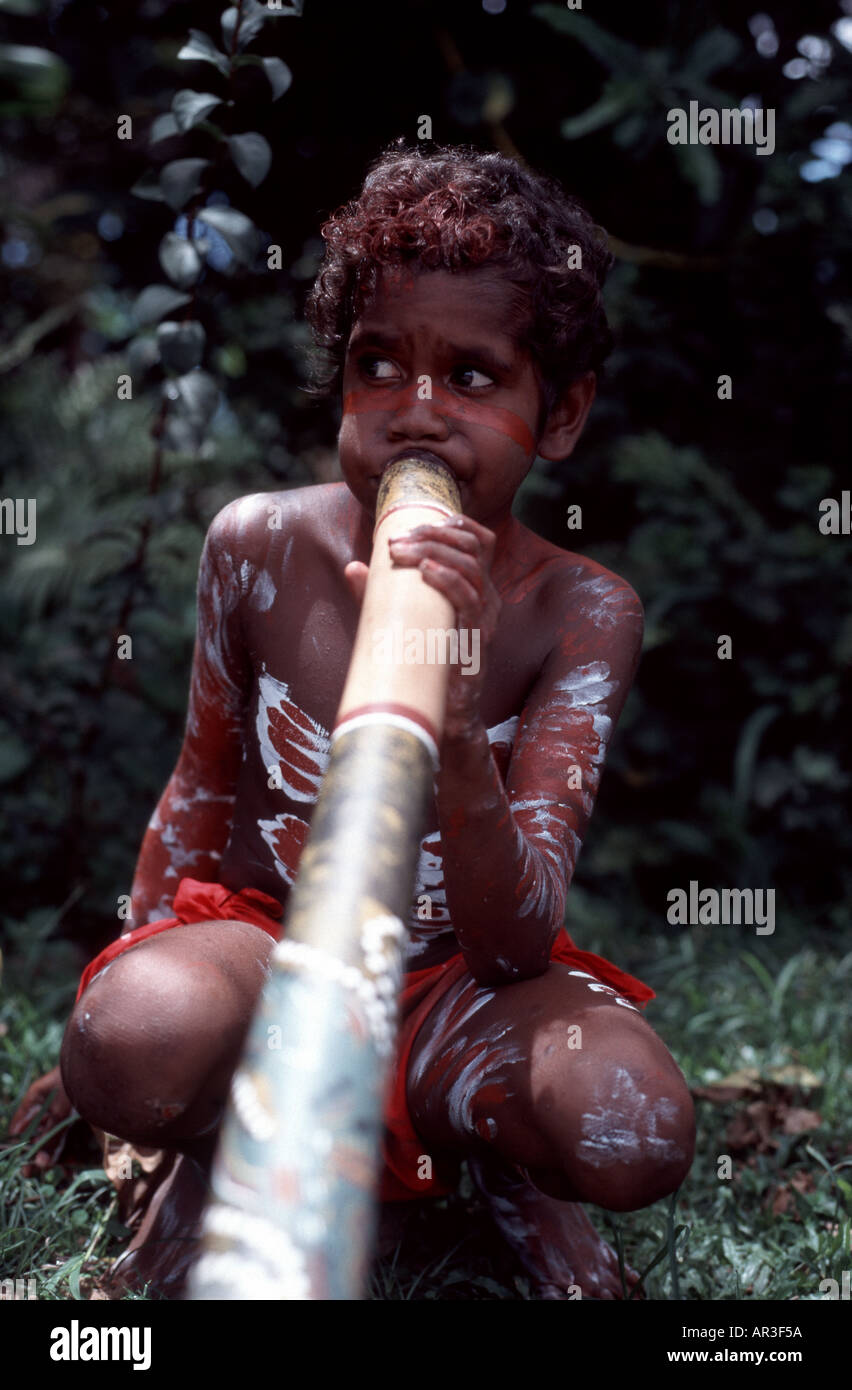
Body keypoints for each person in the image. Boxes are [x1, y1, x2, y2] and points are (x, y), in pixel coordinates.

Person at [11, 143, 694, 1299]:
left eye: (473, 378)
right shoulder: (260, 545)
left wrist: (460, 710)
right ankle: (208, 1148)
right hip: (276, 953)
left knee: (631, 1125)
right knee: (131, 1033)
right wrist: (132, 995)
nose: (415, 417)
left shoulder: (583, 611)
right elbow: (200, 791)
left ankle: (502, 1170)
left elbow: (520, 939)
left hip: (459, 989)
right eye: (379, 365)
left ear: (561, 413)